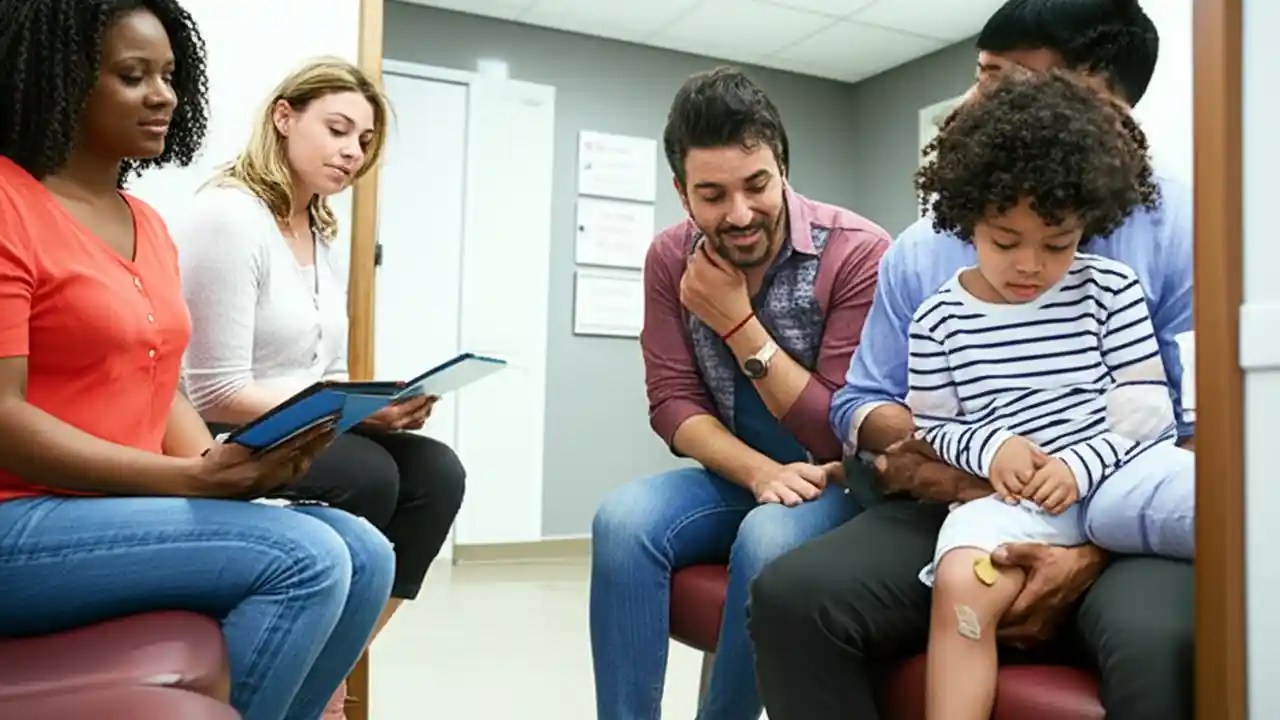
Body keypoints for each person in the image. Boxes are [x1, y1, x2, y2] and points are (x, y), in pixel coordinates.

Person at [747, 2, 1197, 719]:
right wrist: (939, 452)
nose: (971, 101)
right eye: (977, 75)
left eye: (998, 79)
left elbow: (1192, 420)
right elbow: (861, 402)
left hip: (1124, 487)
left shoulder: (1185, 228)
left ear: (1094, 95)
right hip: (974, 488)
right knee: (794, 600)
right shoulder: (925, 253)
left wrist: (1090, 548)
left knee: (1159, 642)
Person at [0, 3, 395, 720]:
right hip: (18, 520)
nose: (164, 96)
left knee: (367, 554)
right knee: (307, 560)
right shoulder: (7, 204)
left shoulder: (146, 222)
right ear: (60, 78)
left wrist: (232, 468)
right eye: (132, 76)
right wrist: (189, 480)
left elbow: (163, 384)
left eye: (169, 76)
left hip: (110, 508)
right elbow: (3, 417)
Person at [589, 66, 891, 720]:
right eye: (712, 195)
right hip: (740, 475)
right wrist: (758, 473)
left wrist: (736, 323)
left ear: (781, 166)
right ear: (682, 192)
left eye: (756, 185)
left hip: (842, 483)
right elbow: (671, 403)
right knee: (621, 521)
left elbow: (838, 428)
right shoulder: (670, 258)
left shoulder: (860, 252)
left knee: (767, 538)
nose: (740, 213)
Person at [174, 57, 467, 717]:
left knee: (436, 474)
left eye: (364, 142)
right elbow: (213, 389)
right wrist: (354, 414)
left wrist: (377, 400)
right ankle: (311, 679)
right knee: (369, 476)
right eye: (337, 129)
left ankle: (330, 665)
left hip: (299, 418)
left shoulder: (318, 232)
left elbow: (314, 371)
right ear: (284, 116)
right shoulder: (228, 217)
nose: (352, 152)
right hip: (218, 429)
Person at [903, 70, 1195, 720]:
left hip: (1122, 477)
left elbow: (1148, 411)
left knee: (1238, 509)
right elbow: (933, 426)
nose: (1031, 265)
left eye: (1057, 243)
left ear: (1087, 223)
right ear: (968, 215)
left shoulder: (1111, 290)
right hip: (1017, 500)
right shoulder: (937, 321)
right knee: (961, 587)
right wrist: (992, 448)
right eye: (1006, 242)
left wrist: (1078, 465)